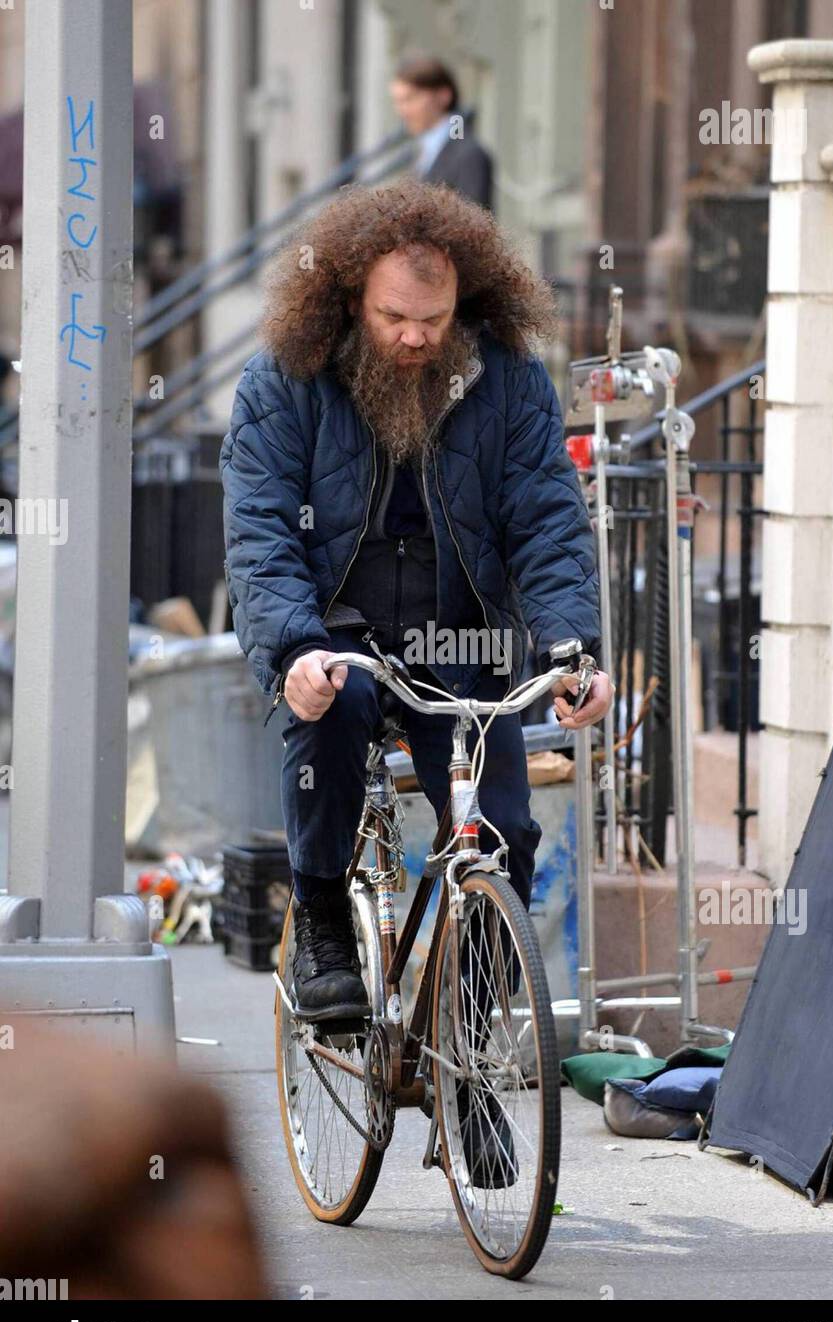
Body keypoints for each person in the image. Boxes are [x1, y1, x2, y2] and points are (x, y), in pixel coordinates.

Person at [220, 181, 609, 1031]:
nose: (414, 336)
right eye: (394, 315)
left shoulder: (507, 381)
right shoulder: (283, 382)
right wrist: (292, 650)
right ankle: (322, 917)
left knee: (505, 835)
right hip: (337, 632)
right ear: (349, 296)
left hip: (460, 639)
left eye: (434, 319)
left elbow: (546, 517)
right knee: (332, 707)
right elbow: (258, 534)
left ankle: (466, 1050)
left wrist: (570, 650)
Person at [390, 54, 493, 210]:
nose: (402, 111)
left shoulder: (469, 154)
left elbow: (474, 223)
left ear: (443, 96)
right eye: (398, 102)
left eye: (410, 99)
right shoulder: (422, 150)